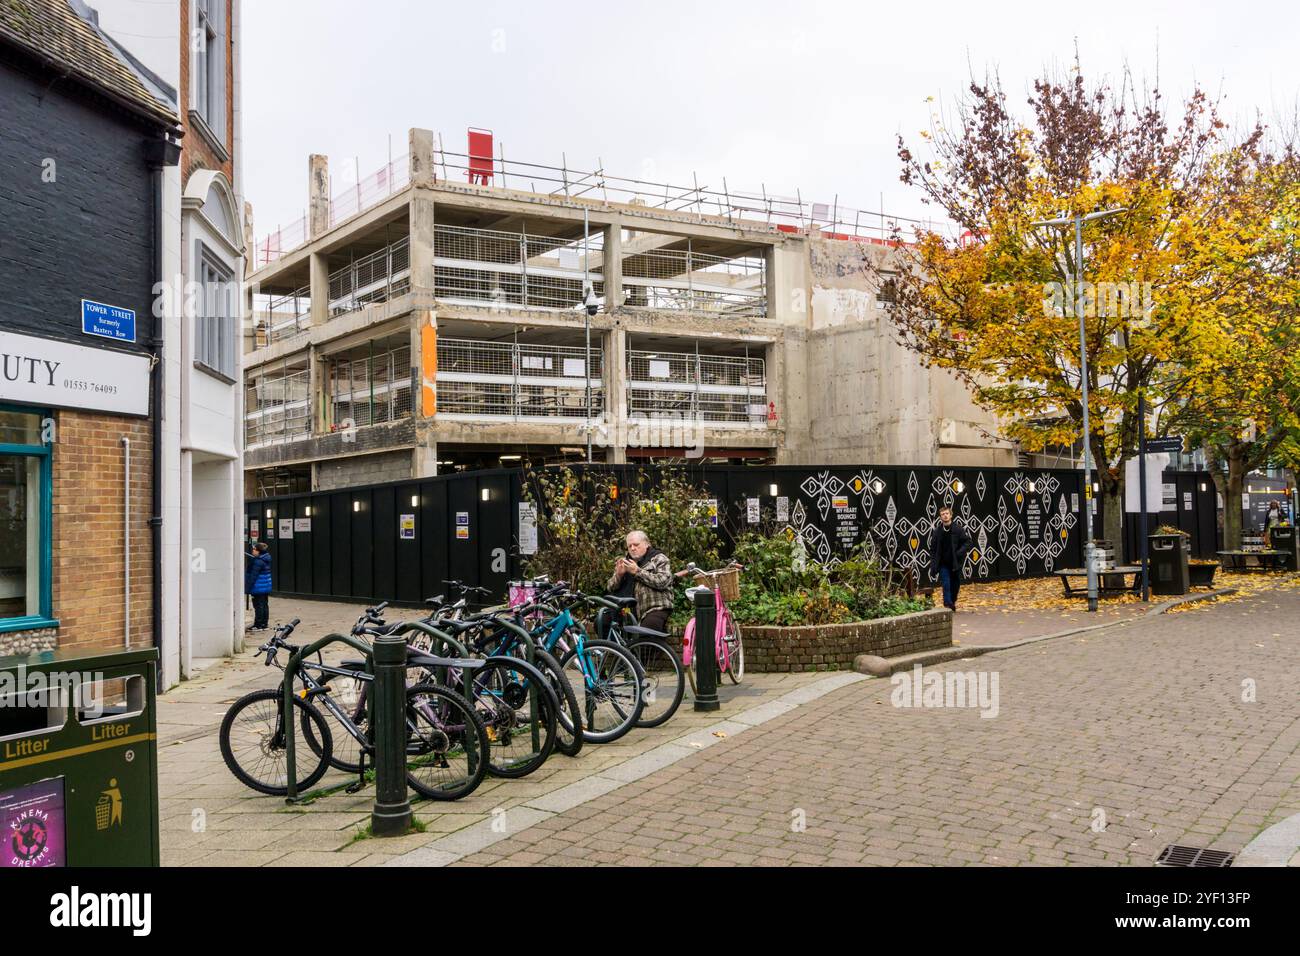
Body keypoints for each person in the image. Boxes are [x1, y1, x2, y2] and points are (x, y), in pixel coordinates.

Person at [606, 530, 675, 633]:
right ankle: (610, 649)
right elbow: (610, 587)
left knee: (648, 629)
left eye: (636, 545)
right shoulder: (626, 562)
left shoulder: (659, 559)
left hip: (655, 608)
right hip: (627, 609)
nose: (633, 548)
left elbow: (662, 582)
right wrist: (619, 575)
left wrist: (637, 571)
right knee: (603, 621)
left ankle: (650, 649)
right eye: (630, 546)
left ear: (646, 544)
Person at [927, 505, 973, 612]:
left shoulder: (957, 529)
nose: (945, 516)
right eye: (943, 514)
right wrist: (933, 565)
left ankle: (952, 600)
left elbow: (968, 542)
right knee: (946, 583)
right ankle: (947, 603)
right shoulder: (937, 532)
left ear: (951, 515)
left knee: (955, 585)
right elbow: (933, 549)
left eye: (947, 513)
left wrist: (959, 553)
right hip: (943, 563)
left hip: (955, 563)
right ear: (940, 517)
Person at [245, 541, 273, 631]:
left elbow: (253, 576)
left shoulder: (258, 561)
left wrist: (247, 589)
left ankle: (258, 624)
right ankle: (264, 624)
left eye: (254, 549)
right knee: (264, 604)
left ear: (258, 551)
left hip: (258, 587)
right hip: (265, 586)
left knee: (258, 605)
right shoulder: (265, 559)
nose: (253, 551)